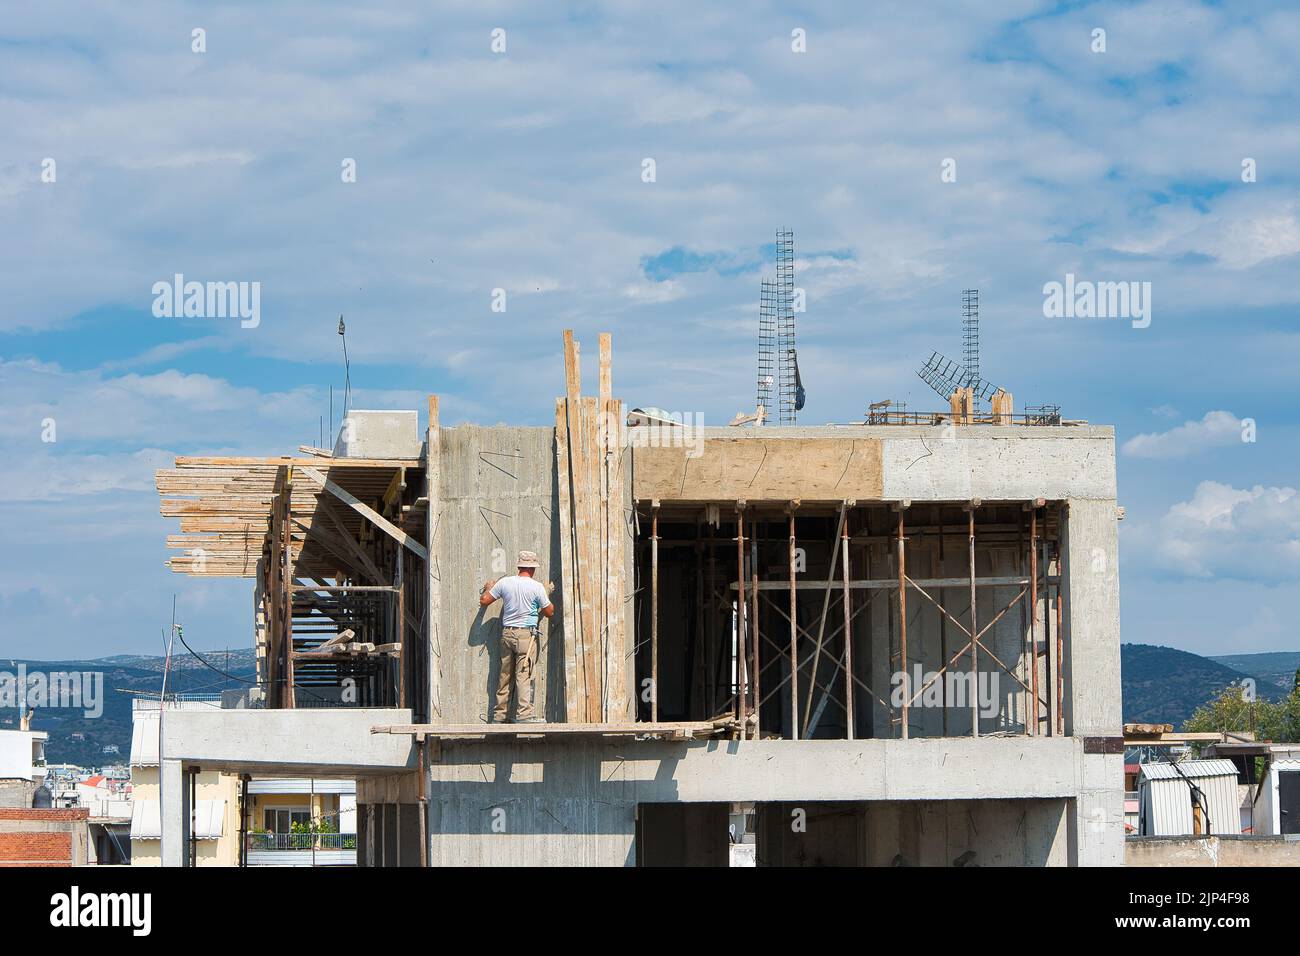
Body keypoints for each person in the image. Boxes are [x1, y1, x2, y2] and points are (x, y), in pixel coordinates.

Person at [480, 549, 554, 723]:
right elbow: (550, 611)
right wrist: (544, 595)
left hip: (507, 633)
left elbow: (484, 600)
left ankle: (499, 716)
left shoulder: (505, 583)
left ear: (519, 566)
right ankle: (524, 715)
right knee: (523, 674)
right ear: (533, 568)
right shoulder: (536, 587)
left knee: (504, 675)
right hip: (525, 636)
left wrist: (489, 588)